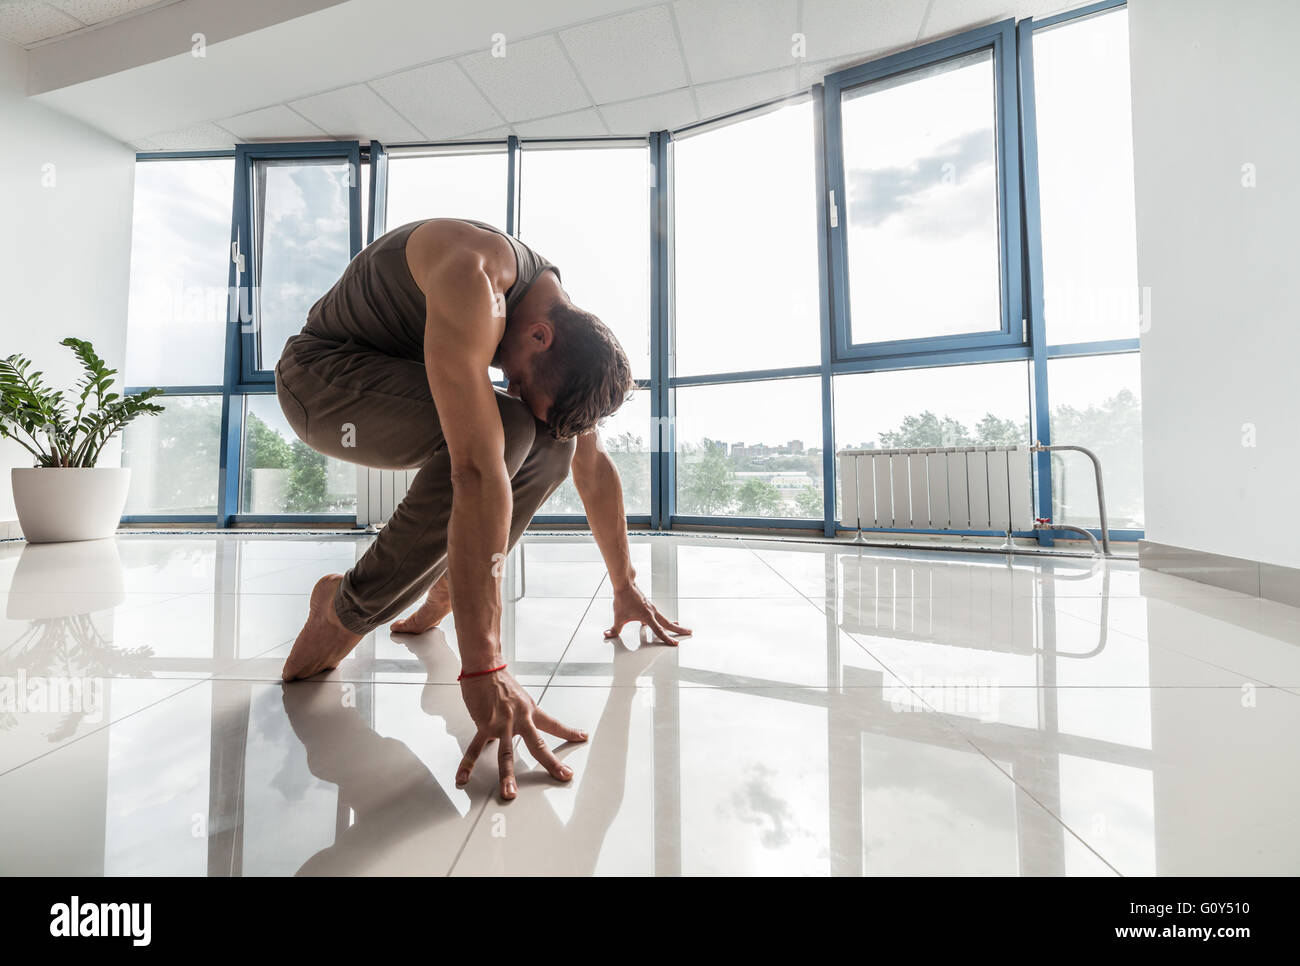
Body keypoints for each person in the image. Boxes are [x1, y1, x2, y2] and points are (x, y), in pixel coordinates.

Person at [273, 217, 690, 800]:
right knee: (512, 429)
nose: (512, 383)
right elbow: (475, 469)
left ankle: (449, 579)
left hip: (393, 379)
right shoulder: (473, 275)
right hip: (320, 382)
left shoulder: (562, 339)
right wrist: (484, 666)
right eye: (517, 379)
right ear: (539, 336)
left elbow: (589, 469)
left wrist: (624, 585)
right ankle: (341, 609)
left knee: (551, 438)